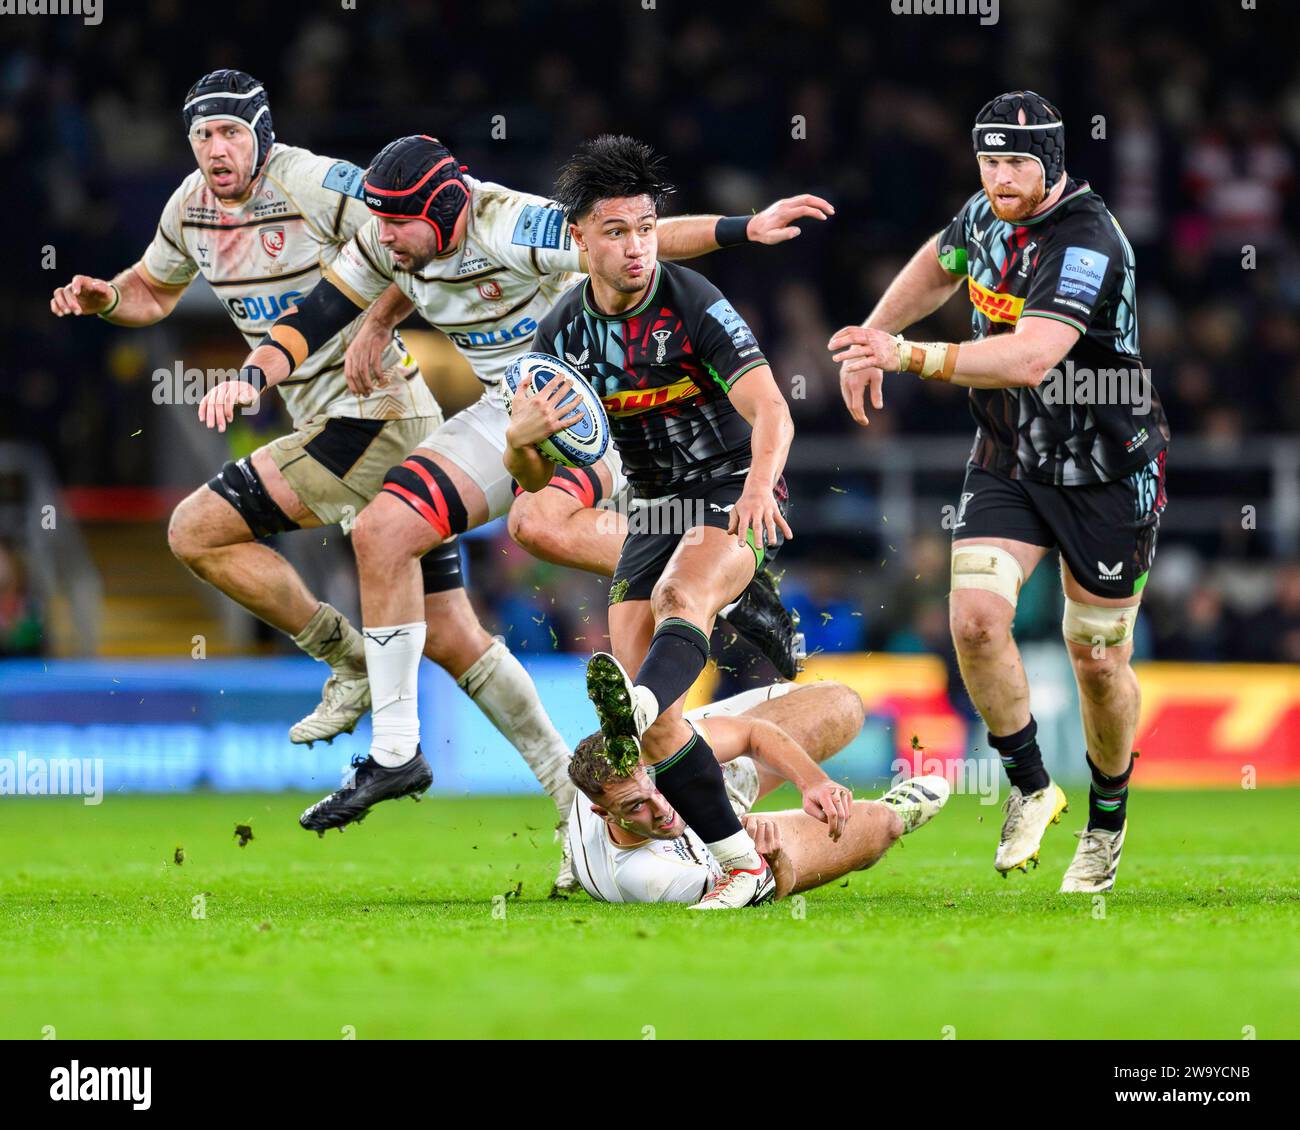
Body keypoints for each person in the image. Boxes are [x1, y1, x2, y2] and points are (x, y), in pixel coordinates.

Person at [204, 134, 827, 854]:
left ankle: (706, 571)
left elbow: (633, 238)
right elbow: (317, 311)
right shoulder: (393, 240)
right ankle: (418, 753)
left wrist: (742, 228)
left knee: (487, 521)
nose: (379, 236)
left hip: (591, 403)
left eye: (395, 223)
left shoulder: (509, 223)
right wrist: (257, 374)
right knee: (408, 549)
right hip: (514, 406)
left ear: (442, 209)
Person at [828, 91, 1170, 892]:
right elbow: (937, 262)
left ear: (1052, 162)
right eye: (988, 160)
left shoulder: (1087, 240)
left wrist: (906, 356)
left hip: (1106, 470)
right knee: (976, 621)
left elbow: (1027, 359)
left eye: (1017, 161)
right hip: (1012, 452)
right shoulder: (985, 213)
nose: (1000, 177)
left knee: (1096, 658)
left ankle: (1107, 822)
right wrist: (873, 339)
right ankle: (1029, 785)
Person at [49, 69, 434, 747]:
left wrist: (376, 323)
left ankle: (351, 663)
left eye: (230, 132)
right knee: (461, 642)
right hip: (325, 421)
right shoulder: (189, 208)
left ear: (260, 134)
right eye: (202, 134)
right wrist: (105, 297)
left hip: (375, 408)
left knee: (195, 529)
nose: (215, 148)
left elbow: (414, 237)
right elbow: (152, 289)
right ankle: (564, 782)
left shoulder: (314, 181)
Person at [512, 135, 798, 909]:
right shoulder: (562, 337)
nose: (637, 247)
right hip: (651, 506)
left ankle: (647, 687)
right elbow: (537, 475)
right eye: (617, 231)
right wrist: (520, 443)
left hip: (730, 486)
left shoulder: (694, 303)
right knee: (663, 723)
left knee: (678, 606)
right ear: (580, 238)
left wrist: (762, 487)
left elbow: (771, 408)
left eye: (646, 228)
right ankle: (741, 866)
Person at [565, 679, 949, 903]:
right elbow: (757, 893)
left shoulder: (635, 760)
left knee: (841, 704)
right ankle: (888, 824)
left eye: (657, 786)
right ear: (604, 814)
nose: (662, 808)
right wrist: (776, 859)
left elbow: (751, 733)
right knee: (881, 826)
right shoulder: (650, 877)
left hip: (713, 781)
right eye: (636, 807)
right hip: (724, 845)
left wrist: (813, 781)